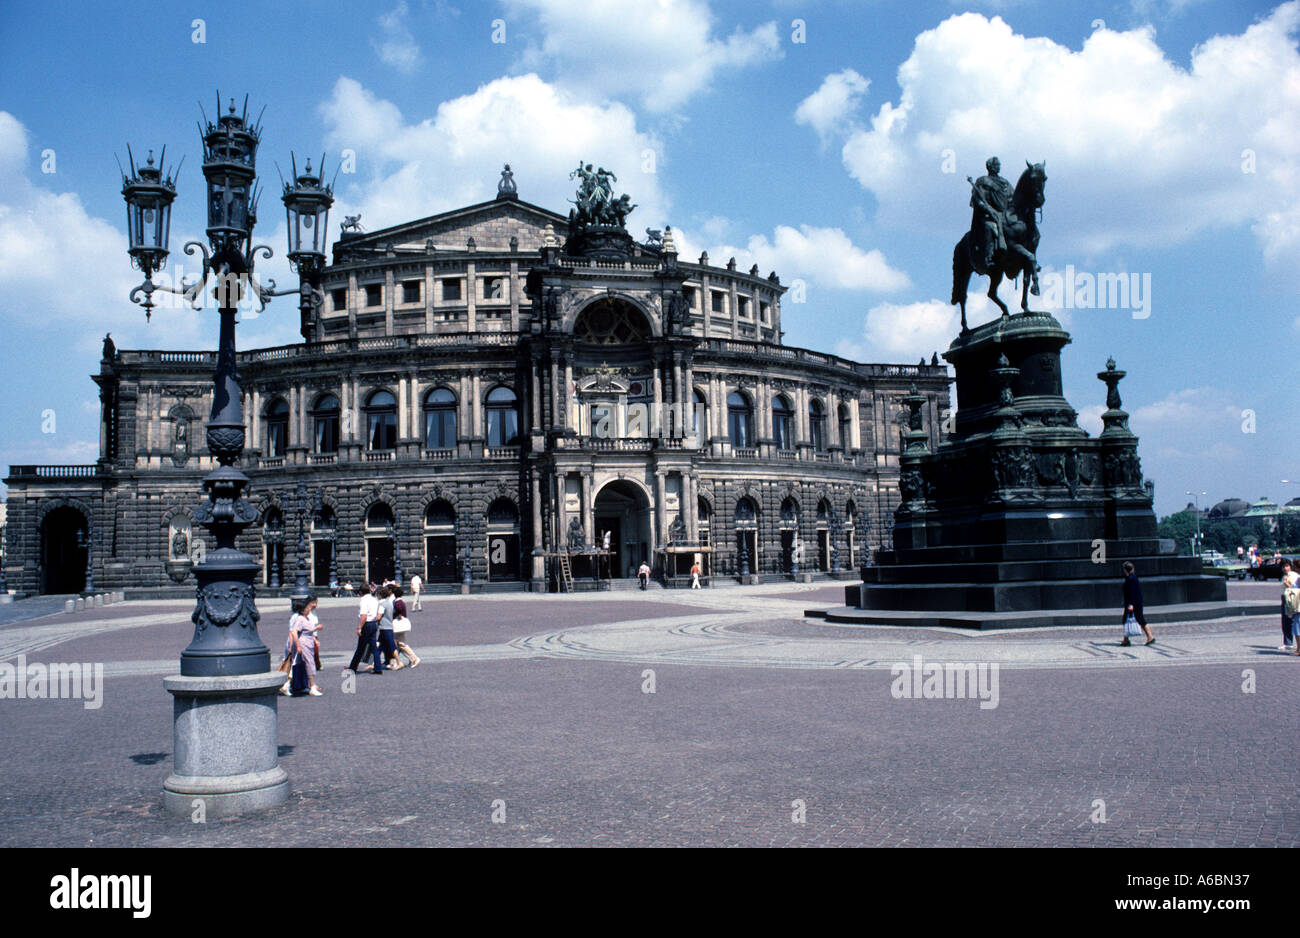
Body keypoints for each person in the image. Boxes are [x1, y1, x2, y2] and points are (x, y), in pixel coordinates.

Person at [346, 583, 383, 676]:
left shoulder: (363, 601)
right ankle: (378, 667)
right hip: (373, 623)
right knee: (374, 647)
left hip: (366, 625)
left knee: (360, 648)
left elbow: (364, 616)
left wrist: (359, 627)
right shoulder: (374, 599)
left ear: (361, 592)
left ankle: (352, 668)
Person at [292, 594, 323, 696]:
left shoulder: (306, 619)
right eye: (307, 608)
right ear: (303, 610)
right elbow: (294, 632)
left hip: (309, 643)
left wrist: (316, 630)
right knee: (310, 663)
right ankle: (312, 686)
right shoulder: (300, 619)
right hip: (304, 644)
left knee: (301, 664)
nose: (309, 609)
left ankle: (300, 684)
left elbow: (308, 630)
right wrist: (298, 645)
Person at [1120, 561, 1154, 646]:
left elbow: (1131, 592)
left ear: (1125, 569)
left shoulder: (1130, 579)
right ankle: (1126, 639)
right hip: (1136, 602)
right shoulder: (1133, 577)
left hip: (1133, 603)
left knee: (1137, 619)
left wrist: (1131, 604)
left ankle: (1150, 637)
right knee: (1132, 619)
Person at [392, 587, 420, 669]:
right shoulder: (401, 601)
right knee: (399, 643)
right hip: (400, 625)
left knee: (401, 644)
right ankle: (408, 659)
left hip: (399, 625)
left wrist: (398, 615)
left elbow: (399, 610)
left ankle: (414, 658)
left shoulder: (398, 603)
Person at [375, 584, 398, 670]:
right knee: (380, 646)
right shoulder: (388, 603)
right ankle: (375, 663)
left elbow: (379, 617)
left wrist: (372, 620)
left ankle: (399, 662)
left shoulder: (382, 604)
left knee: (391, 646)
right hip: (388, 627)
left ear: (379, 595)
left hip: (385, 628)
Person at [1280, 562, 1300, 651]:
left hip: (1292, 599)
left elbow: (1292, 587)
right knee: (1291, 622)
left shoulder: (1293, 575)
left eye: (1287, 566)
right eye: (1283, 566)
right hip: (1288, 598)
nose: (1285, 568)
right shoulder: (1288, 575)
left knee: (1292, 622)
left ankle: (1291, 644)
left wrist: (1285, 582)